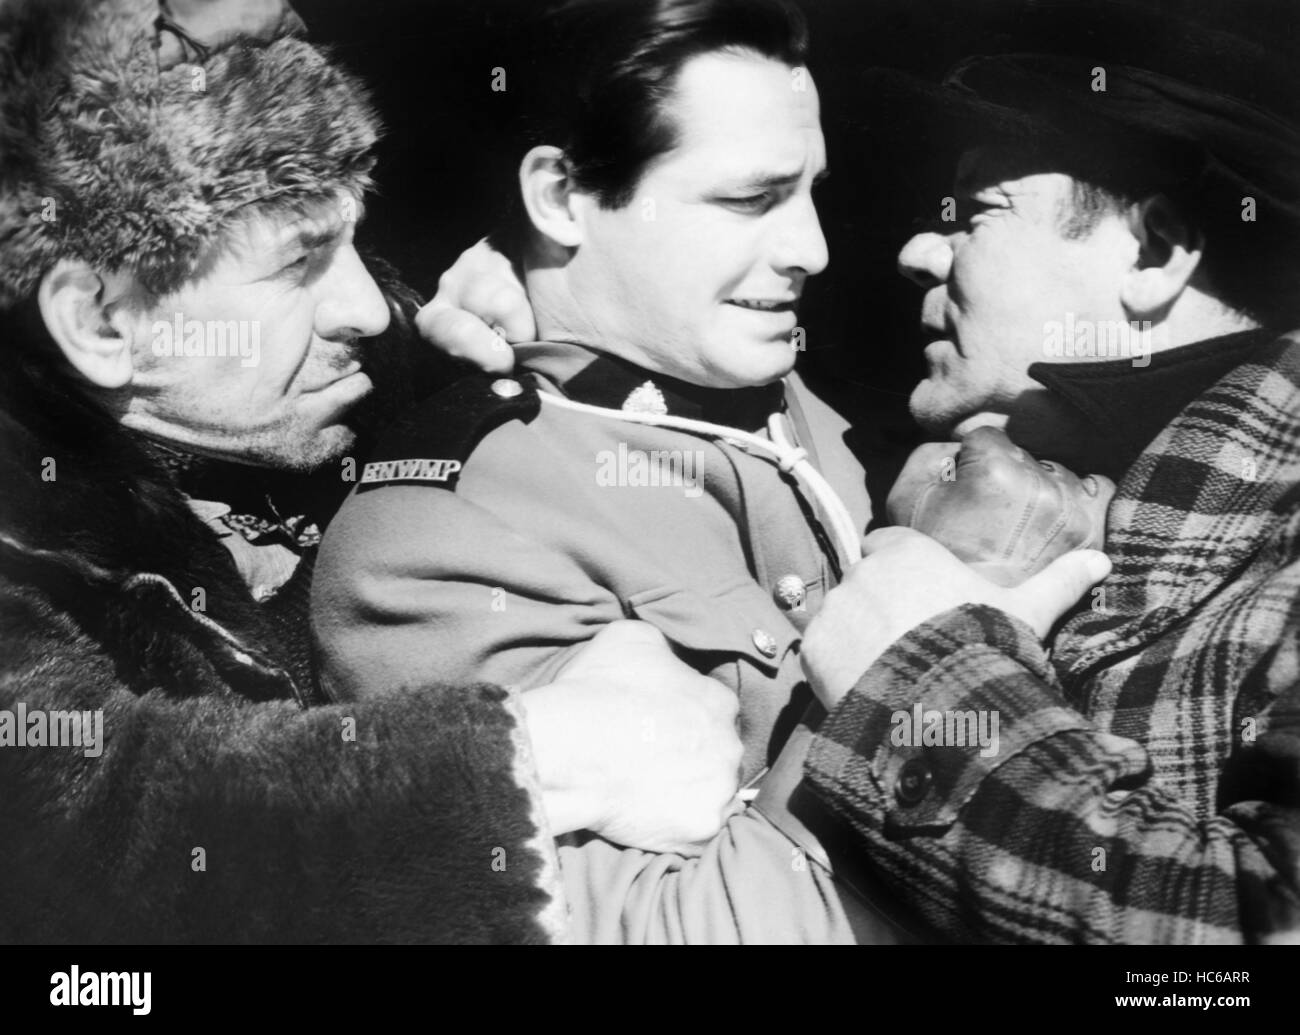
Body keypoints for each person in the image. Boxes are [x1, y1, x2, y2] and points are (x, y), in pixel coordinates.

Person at [424, 6, 1300, 942]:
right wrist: (516, 329)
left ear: (1156, 253)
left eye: (974, 210)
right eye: (751, 197)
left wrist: (921, 677)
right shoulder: (933, 454)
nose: (908, 249)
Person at [0, 0, 746, 943]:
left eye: (355, 239)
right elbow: (80, 831)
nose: (366, 305)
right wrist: (533, 762)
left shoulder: (413, 375)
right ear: (103, 323)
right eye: (300, 261)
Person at [310, 0, 905, 944]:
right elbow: (676, 930)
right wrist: (931, 666)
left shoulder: (781, 398)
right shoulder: (439, 532)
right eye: (752, 199)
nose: (813, 249)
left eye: (812, 192)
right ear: (559, 198)